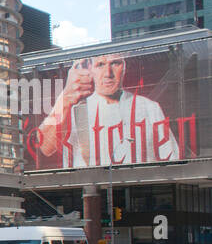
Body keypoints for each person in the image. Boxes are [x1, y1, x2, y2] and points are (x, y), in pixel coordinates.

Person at [35, 54, 179, 169]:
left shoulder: (149, 107)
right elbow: (45, 147)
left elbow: (173, 160)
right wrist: (65, 98)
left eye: (115, 63)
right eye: (101, 65)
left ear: (124, 67)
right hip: (87, 192)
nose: (108, 73)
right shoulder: (72, 108)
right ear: (90, 69)